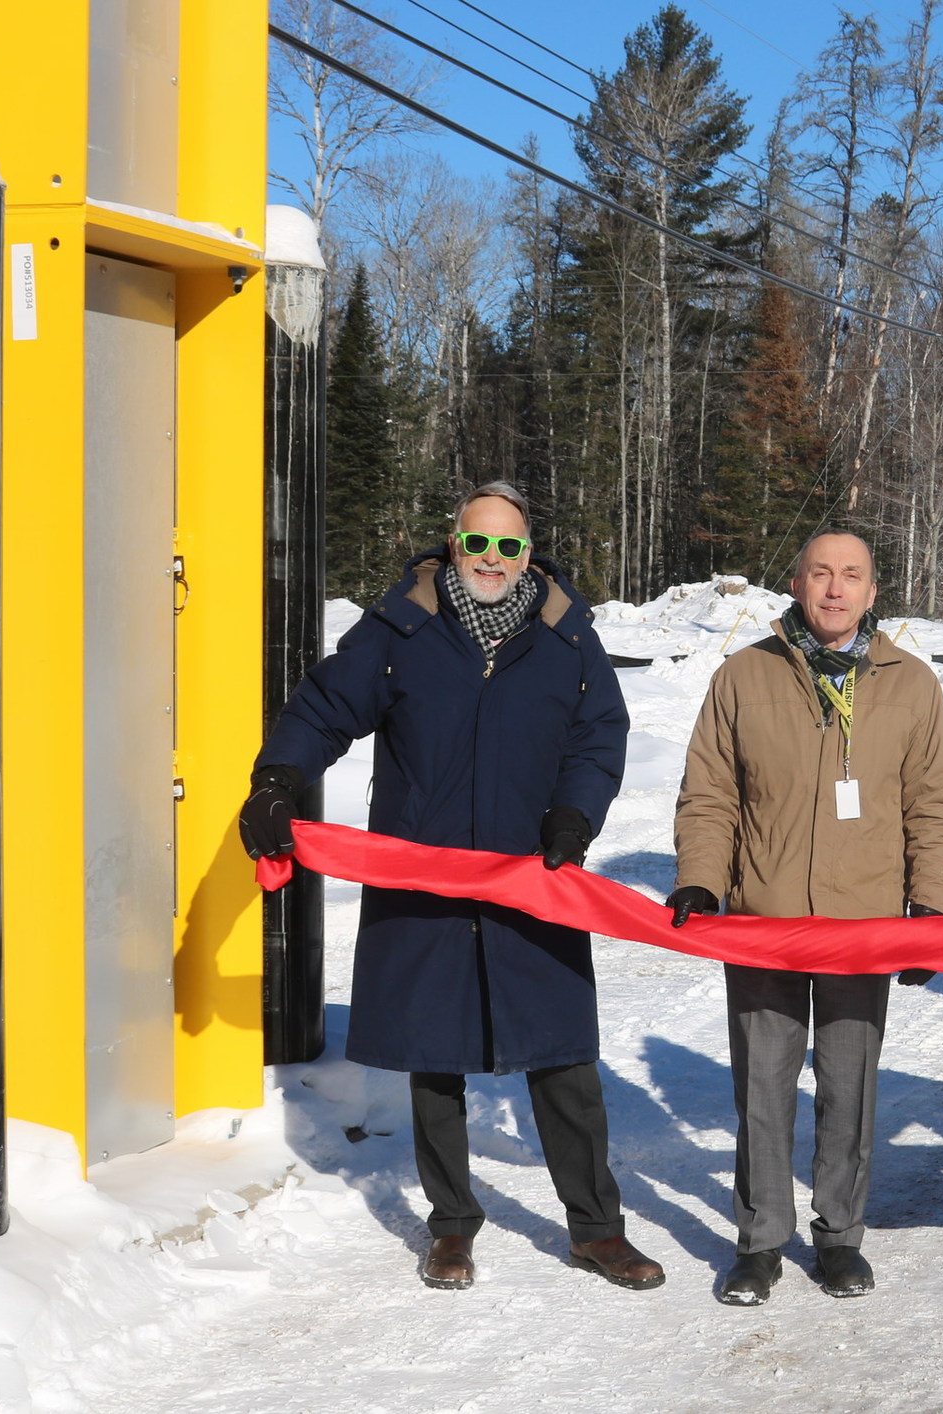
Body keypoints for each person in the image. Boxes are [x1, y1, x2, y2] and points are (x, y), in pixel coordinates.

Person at [239, 482, 665, 1295]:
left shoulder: (565, 637)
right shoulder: (401, 629)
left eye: (509, 547)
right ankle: (451, 1228)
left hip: (532, 875)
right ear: (453, 544)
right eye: (479, 544)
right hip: (425, 877)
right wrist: (278, 780)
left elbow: (598, 735)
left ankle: (598, 1230)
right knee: (434, 1059)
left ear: (528, 554)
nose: (492, 561)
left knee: (563, 1058)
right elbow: (326, 708)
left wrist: (573, 819)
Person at [670, 531, 943, 1306]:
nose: (835, 590)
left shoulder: (912, 684)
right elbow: (710, 794)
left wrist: (928, 907)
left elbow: (933, 806)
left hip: (864, 922)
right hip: (765, 917)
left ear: (873, 592)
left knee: (849, 1084)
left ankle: (839, 1238)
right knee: (762, 1086)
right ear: (796, 583)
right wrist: (701, 882)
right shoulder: (743, 676)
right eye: (821, 574)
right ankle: (761, 1240)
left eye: (852, 576)